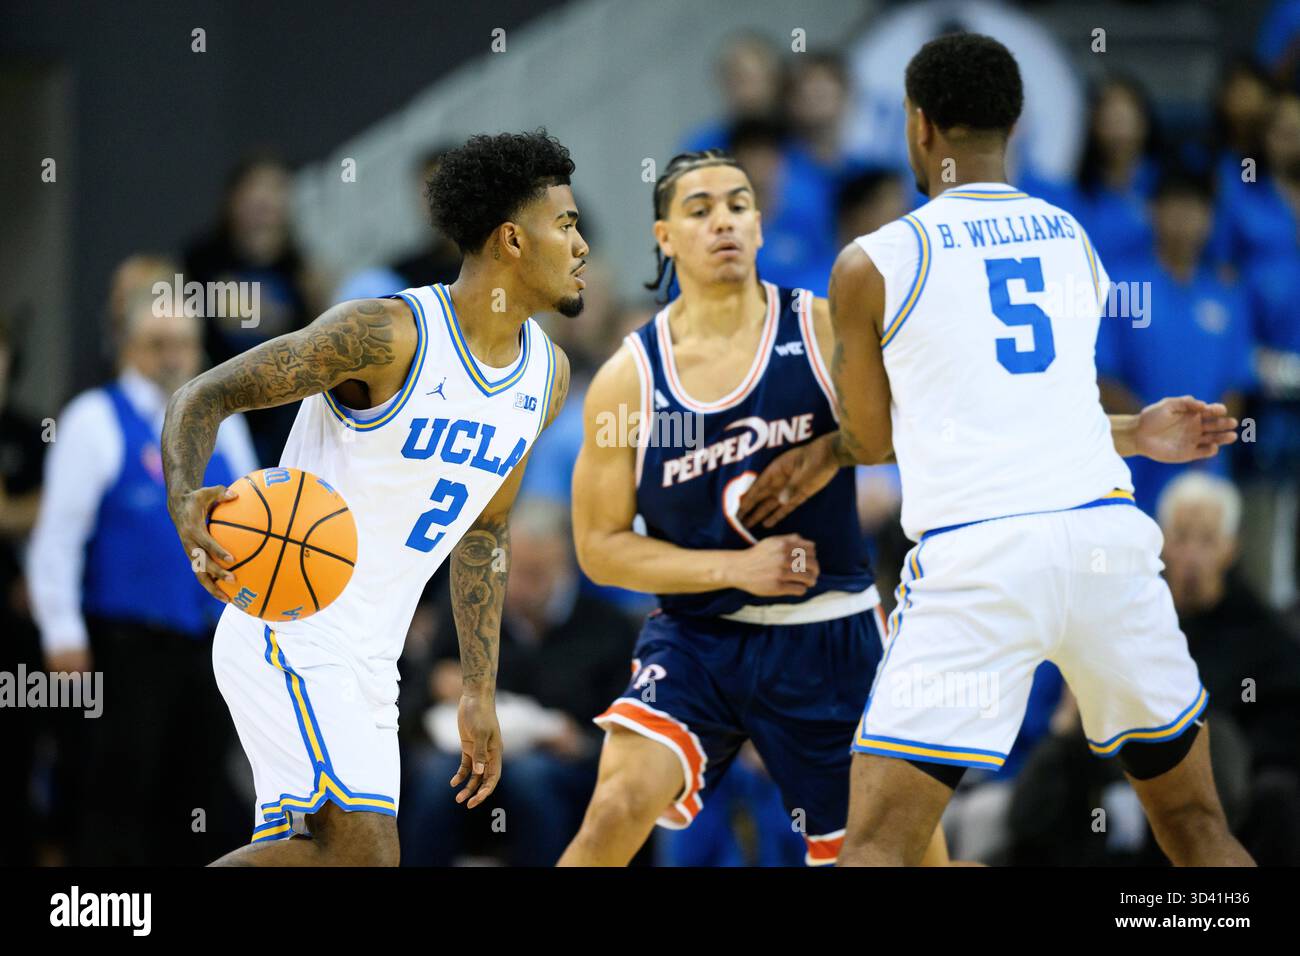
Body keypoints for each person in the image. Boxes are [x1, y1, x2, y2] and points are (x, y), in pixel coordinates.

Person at [739, 33, 1253, 867]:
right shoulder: (1070, 236)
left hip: (982, 559)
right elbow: (1036, 413)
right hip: (1106, 546)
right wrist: (1130, 434)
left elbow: (869, 440)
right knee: (1199, 830)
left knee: (874, 844)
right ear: (1013, 125)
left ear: (919, 126)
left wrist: (825, 451)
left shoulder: (873, 261)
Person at [161, 130, 580, 866]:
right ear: (513, 239)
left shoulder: (547, 377)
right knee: (363, 856)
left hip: (372, 660)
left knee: (325, 858)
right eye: (567, 224)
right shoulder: (386, 335)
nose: (581, 244)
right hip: (290, 622)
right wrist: (186, 493)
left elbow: (484, 530)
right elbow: (204, 395)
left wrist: (479, 691)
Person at [27, 283, 258, 864]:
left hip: (209, 642)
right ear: (128, 346)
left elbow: (257, 524)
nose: (174, 356)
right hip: (127, 644)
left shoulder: (223, 423)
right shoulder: (94, 418)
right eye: (158, 343)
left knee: (199, 797)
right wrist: (62, 632)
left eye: (184, 342)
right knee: (117, 797)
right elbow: (58, 536)